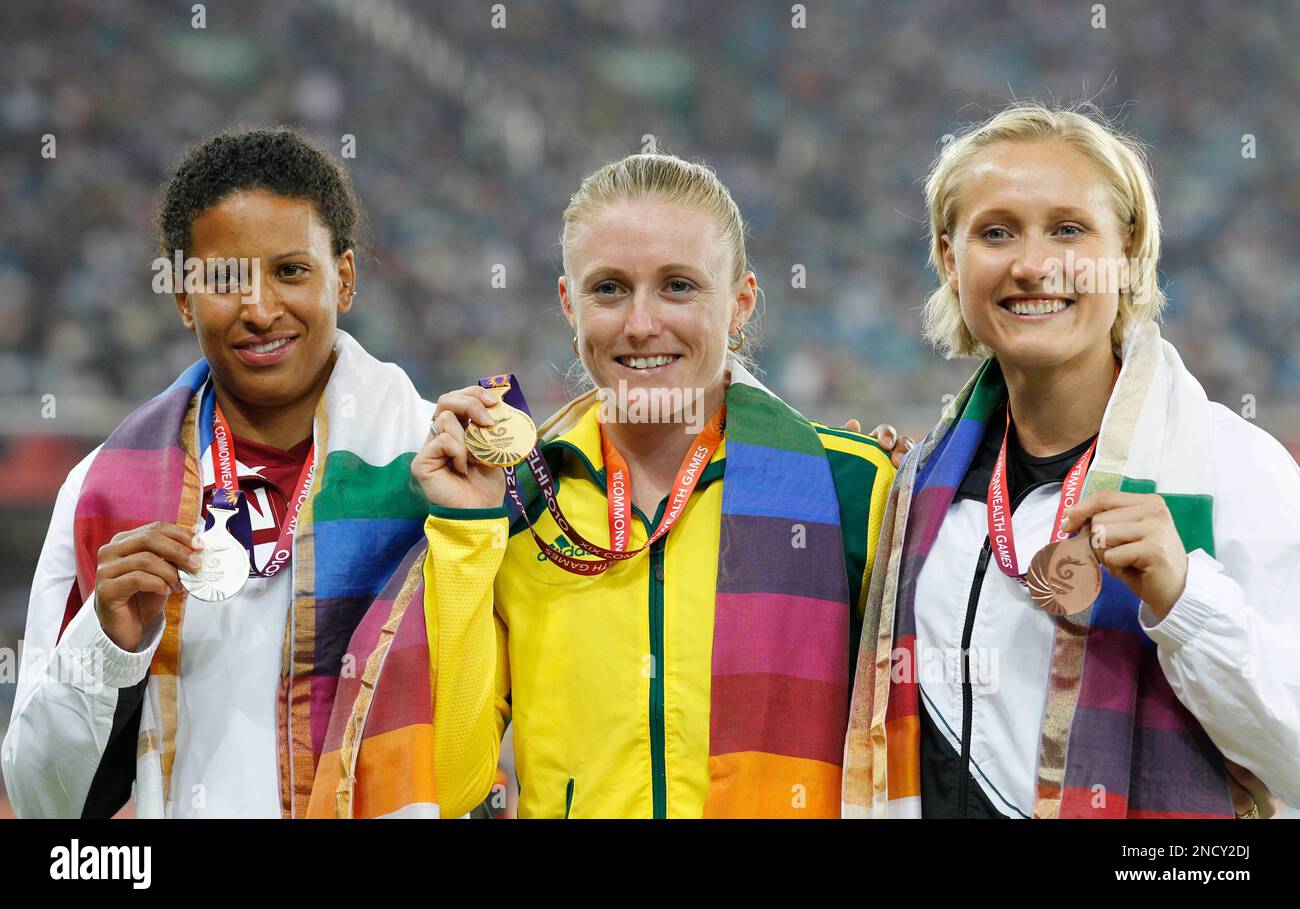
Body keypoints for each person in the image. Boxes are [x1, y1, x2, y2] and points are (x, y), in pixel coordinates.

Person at [320, 153, 899, 819]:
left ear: (740, 303)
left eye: (678, 286)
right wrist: (465, 534)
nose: (641, 324)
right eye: (609, 289)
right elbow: (448, 785)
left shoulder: (849, 488)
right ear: (569, 304)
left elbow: (911, 759)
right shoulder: (517, 502)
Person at [844, 103, 1300, 819]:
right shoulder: (918, 488)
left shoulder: (1233, 467)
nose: (1032, 266)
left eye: (1068, 230)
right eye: (996, 232)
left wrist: (1186, 600)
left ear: (1128, 251)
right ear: (950, 260)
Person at [1, 127, 436, 818]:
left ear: (345, 278)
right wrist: (107, 644)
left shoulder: (438, 465)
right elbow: (38, 800)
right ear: (183, 298)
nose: (260, 310)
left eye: (291, 271)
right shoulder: (102, 491)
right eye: (225, 280)